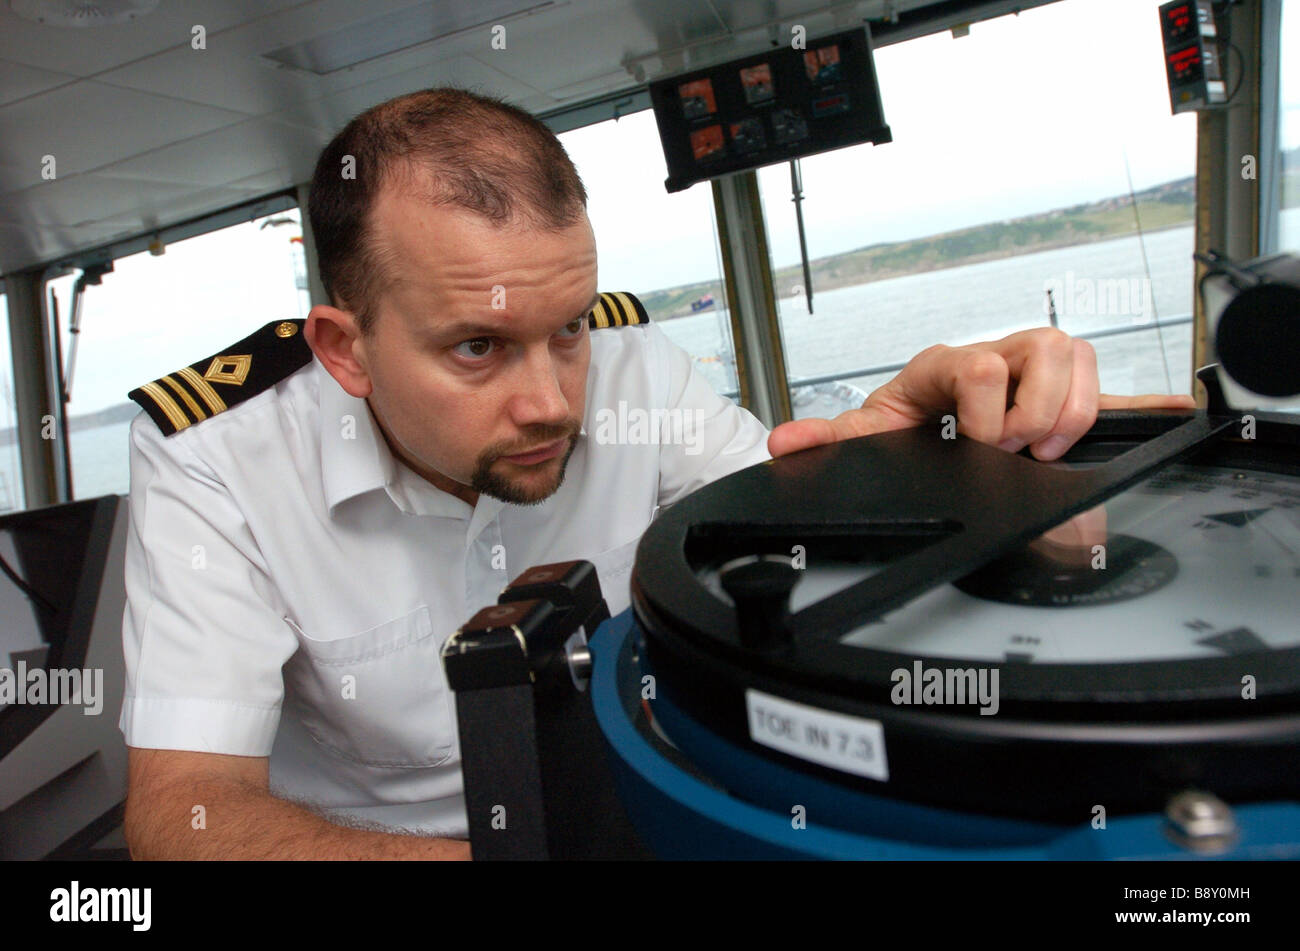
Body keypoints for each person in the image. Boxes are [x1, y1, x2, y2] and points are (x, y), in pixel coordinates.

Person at [119, 87, 1194, 861]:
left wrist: (902, 455)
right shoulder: (214, 458)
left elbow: (770, 520)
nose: (554, 399)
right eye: (477, 349)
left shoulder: (632, 366)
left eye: (569, 327)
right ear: (345, 348)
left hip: (645, 793)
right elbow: (185, 810)